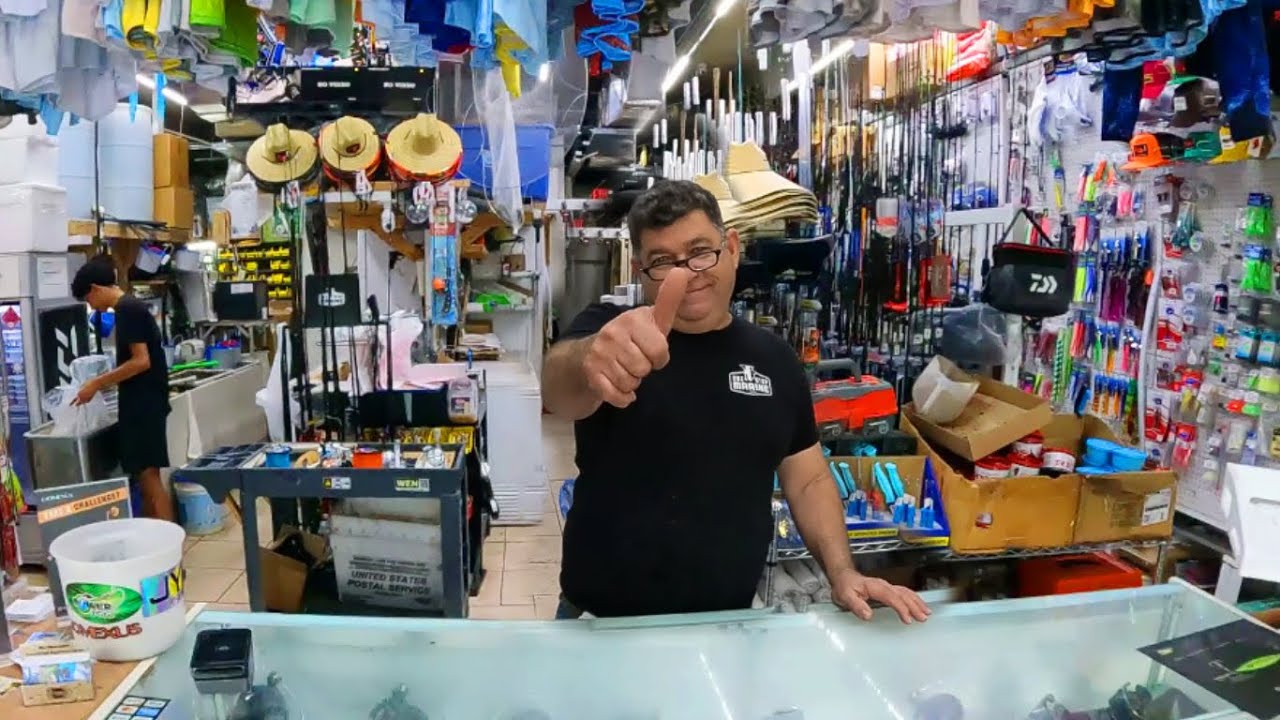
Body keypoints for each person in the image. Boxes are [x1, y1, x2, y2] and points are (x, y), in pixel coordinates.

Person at [542, 181, 930, 624]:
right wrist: (589, 359)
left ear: (731, 247)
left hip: (726, 627)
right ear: (639, 270)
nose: (686, 273)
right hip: (600, 624)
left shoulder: (774, 359)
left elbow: (807, 479)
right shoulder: (611, 334)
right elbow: (559, 389)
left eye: (700, 251)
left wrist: (842, 573)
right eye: (663, 262)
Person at [71, 256, 174, 522]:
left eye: (88, 299)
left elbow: (141, 361)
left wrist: (96, 383)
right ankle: (156, 541)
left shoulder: (127, 309)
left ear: (95, 288)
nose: (91, 305)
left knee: (149, 481)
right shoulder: (130, 308)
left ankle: (170, 552)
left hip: (144, 405)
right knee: (147, 478)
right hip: (146, 401)